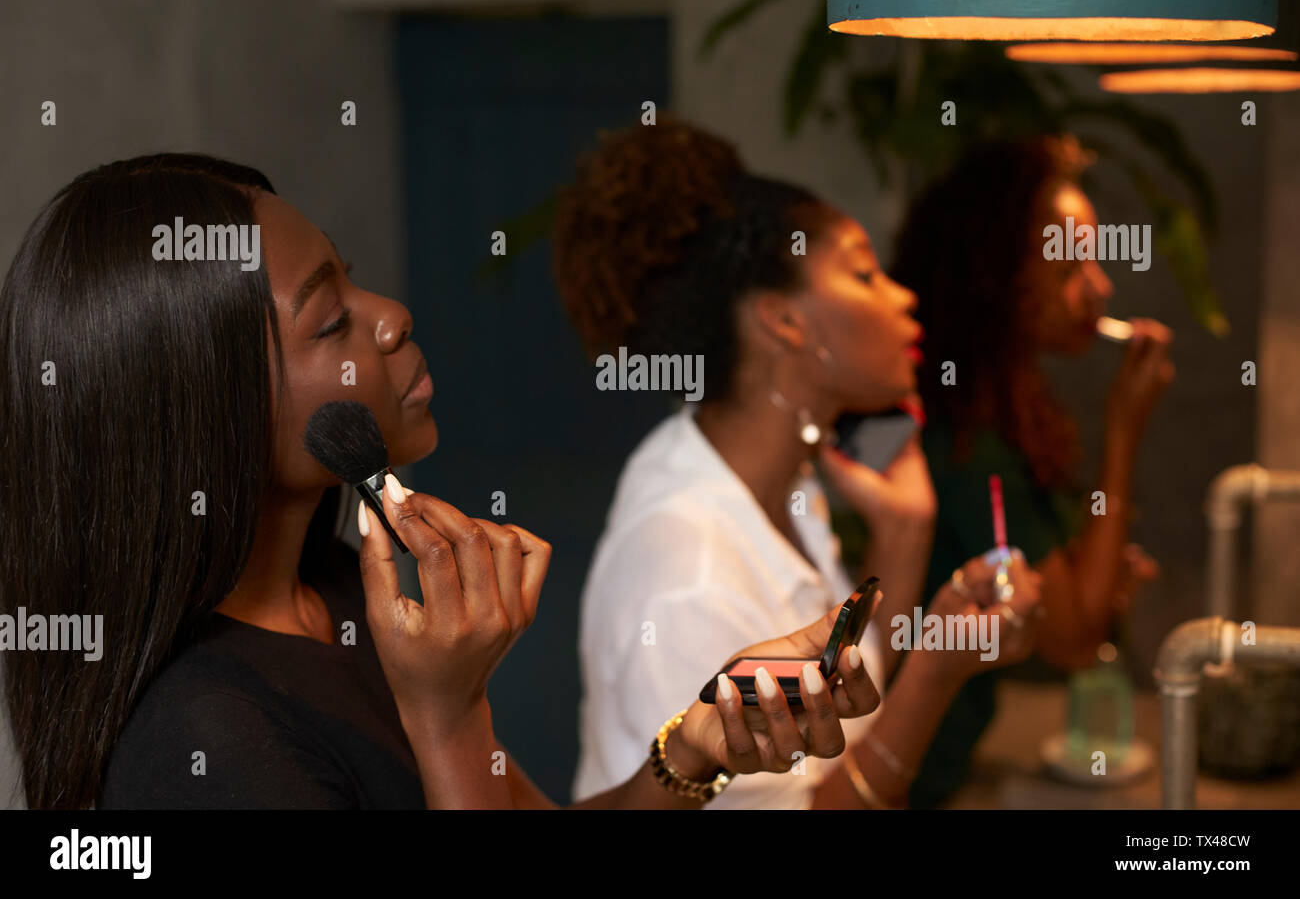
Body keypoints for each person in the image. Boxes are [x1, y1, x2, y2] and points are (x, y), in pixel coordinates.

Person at [0, 153, 882, 810]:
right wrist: (450, 715)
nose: (391, 318)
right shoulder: (204, 744)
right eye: (332, 319)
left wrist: (698, 743)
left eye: (353, 277)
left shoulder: (342, 593)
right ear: (208, 410)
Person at [552, 119, 1044, 809]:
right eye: (864, 274)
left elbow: (846, 697)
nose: (902, 296)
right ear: (784, 321)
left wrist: (905, 534)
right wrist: (938, 669)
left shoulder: (773, 477)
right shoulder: (689, 578)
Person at [890, 135, 1174, 807]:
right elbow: (1073, 637)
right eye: (1071, 267)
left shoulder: (994, 408)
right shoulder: (966, 442)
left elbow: (1074, 602)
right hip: (910, 781)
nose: (1099, 288)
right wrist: (1124, 433)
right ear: (998, 271)